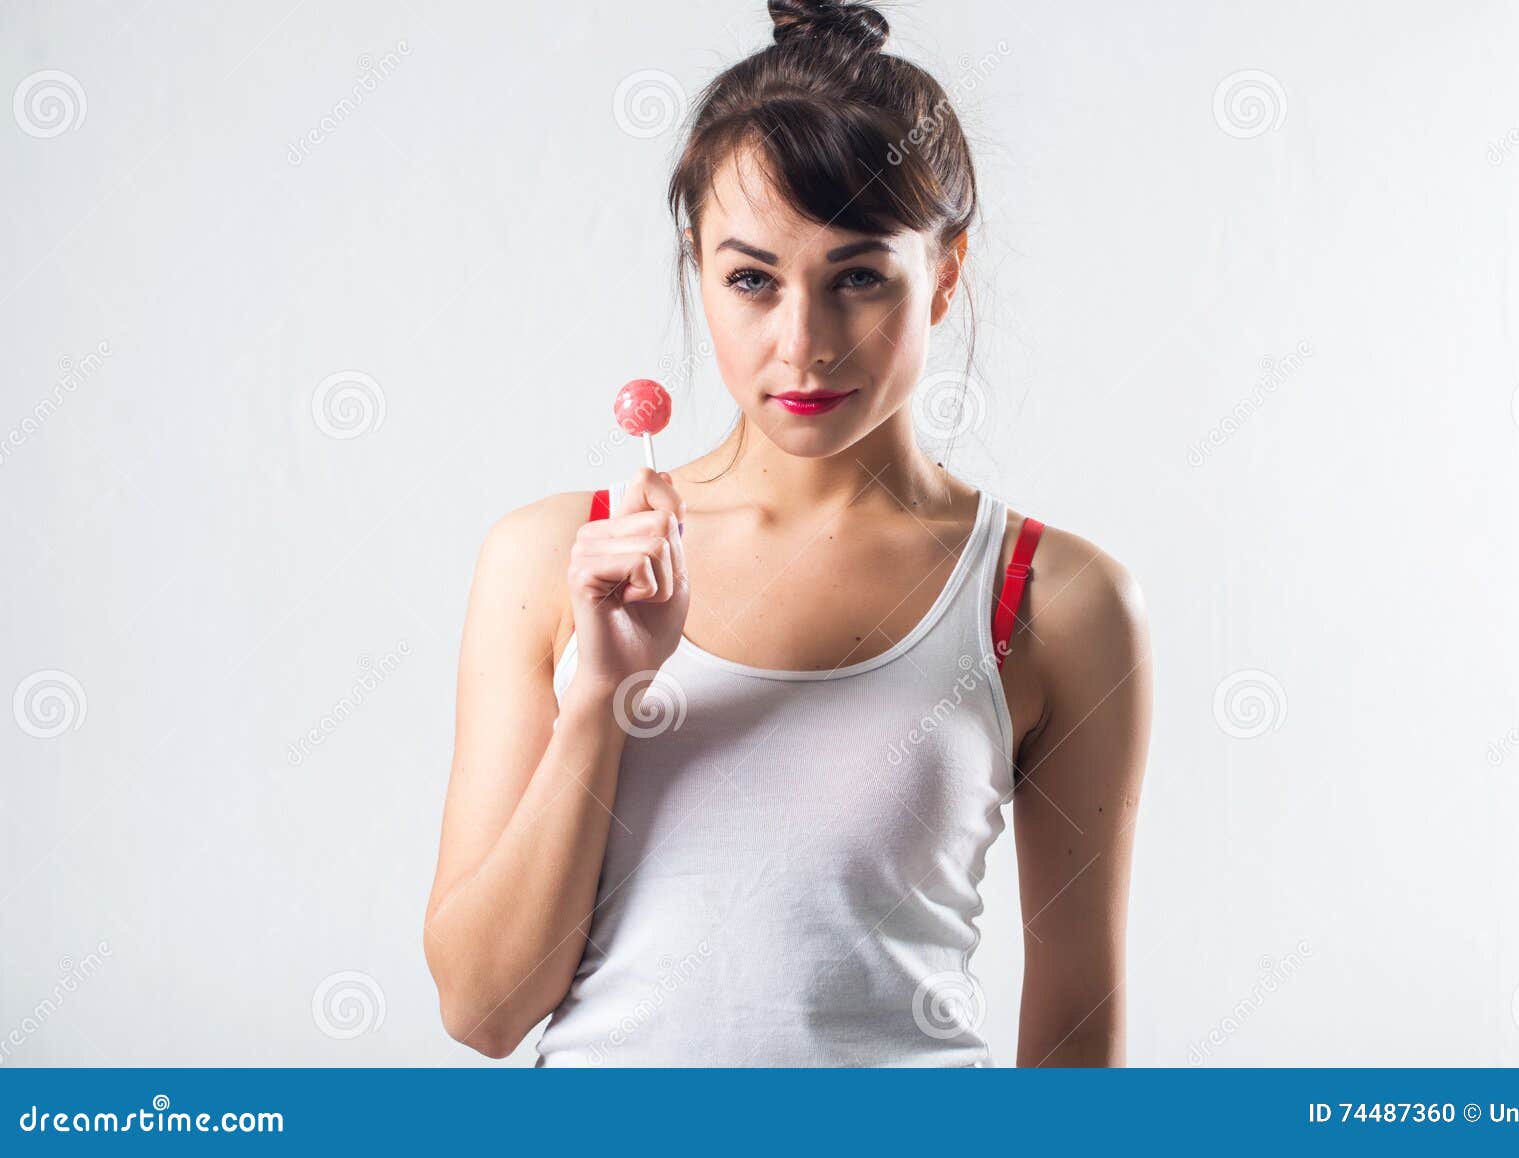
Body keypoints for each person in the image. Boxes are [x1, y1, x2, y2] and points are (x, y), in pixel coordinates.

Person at [423, 0, 1152, 1067]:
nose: (801, 344)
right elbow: (482, 1013)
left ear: (943, 274)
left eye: (858, 276)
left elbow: (1077, 1036)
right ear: (699, 267)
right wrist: (602, 697)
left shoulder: (1052, 597)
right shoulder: (552, 560)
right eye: (751, 280)